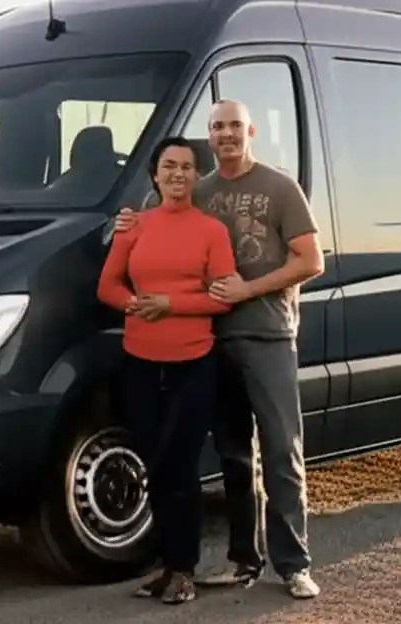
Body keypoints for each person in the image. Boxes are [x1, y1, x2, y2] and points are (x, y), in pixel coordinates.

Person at [112, 99, 325, 600]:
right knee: (233, 454)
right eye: (216, 127)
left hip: (267, 334)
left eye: (234, 125)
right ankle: (243, 561)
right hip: (211, 340)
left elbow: (311, 260)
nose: (226, 134)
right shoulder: (198, 190)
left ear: (250, 130)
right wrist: (128, 224)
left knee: (280, 451)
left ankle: (293, 564)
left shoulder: (278, 186)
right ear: (209, 137)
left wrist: (249, 291)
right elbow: (154, 226)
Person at [96, 135, 237, 605]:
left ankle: (184, 571)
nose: (178, 174)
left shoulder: (211, 231)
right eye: (169, 166)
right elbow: (107, 286)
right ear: (154, 174)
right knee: (155, 466)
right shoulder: (134, 226)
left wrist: (169, 304)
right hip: (139, 363)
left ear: (197, 177)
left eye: (187, 167)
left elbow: (221, 296)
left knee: (179, 466)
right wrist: (134, 304)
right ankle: (164, 565)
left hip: (193, 363)